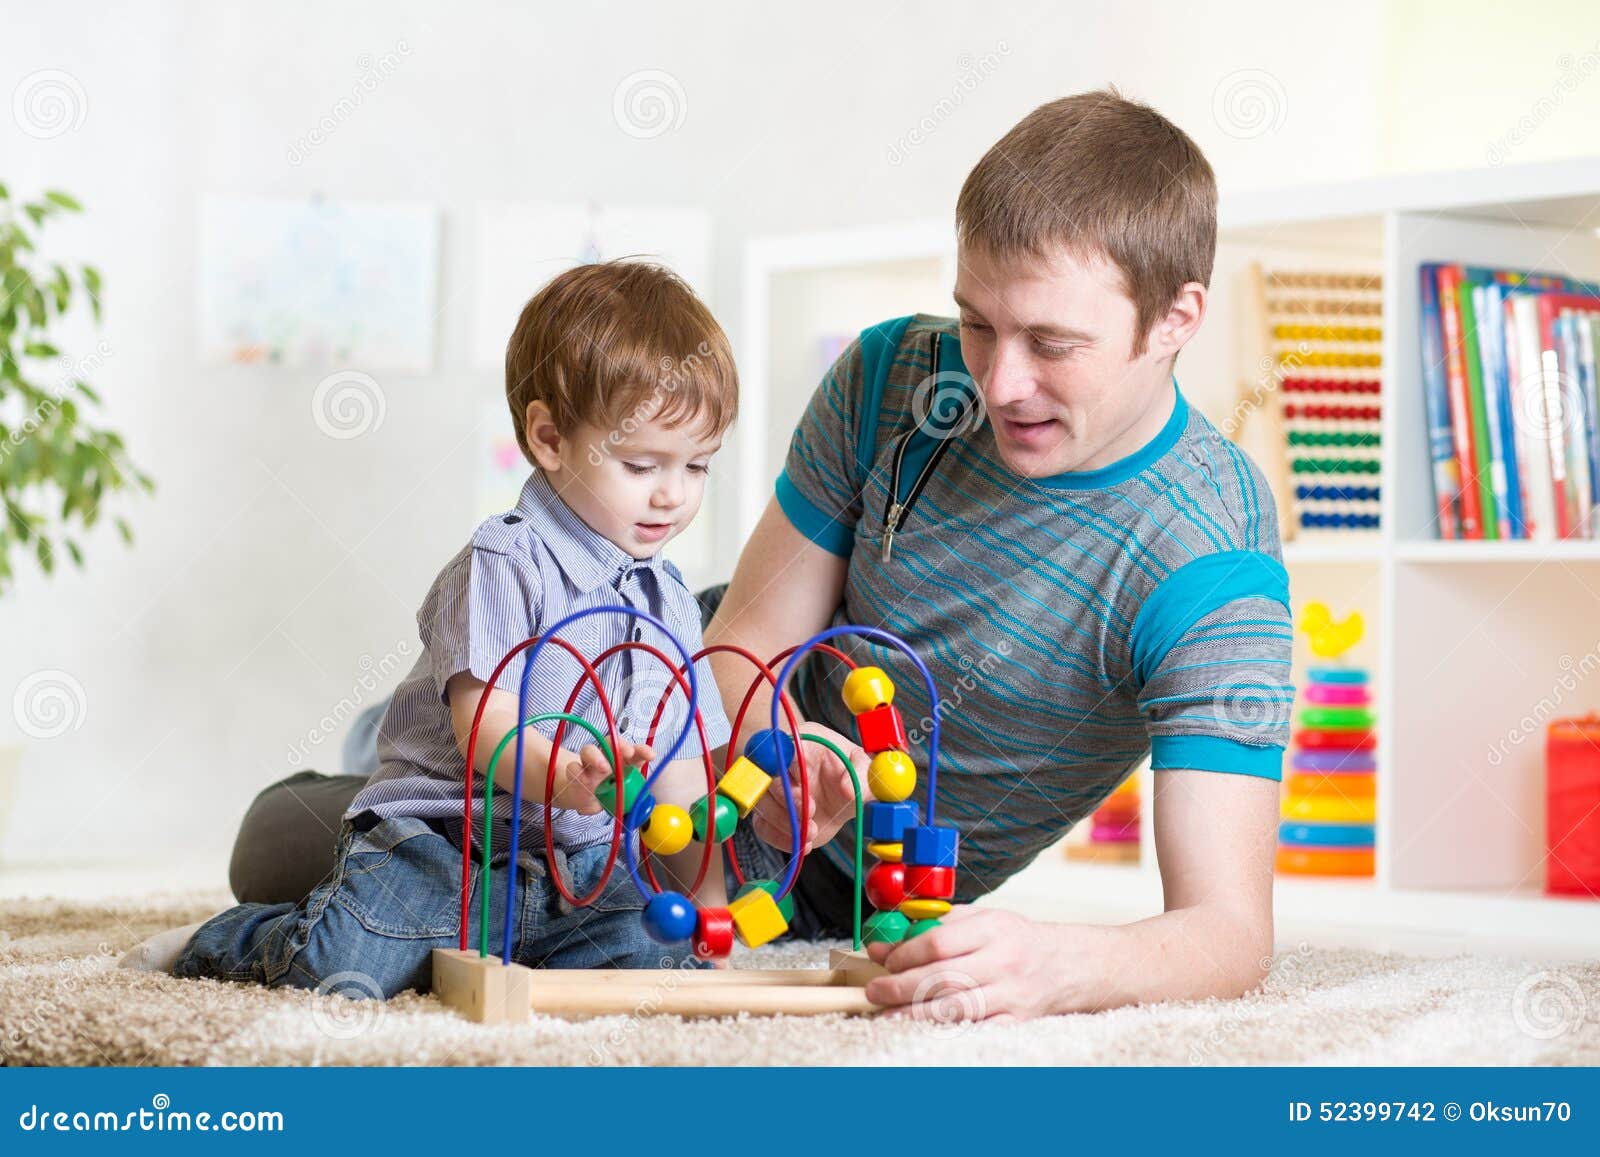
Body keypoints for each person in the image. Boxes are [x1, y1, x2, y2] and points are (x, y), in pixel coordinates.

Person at [705, 88, 1294, 1022]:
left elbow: (1228, 931)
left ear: (1177, 318)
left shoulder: (1211, 557)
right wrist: (761, 749)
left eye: (1052, 342)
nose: (998, 381)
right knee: (448, 785)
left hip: (851, 902)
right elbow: (738, 639)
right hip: (682, 739)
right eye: (978, 322)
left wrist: (1066, 963)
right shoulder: (889, 374)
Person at [153, 261, 740, 994]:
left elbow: (684, 772)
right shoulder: (504, 559)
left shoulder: (670, 601)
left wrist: (710, 912)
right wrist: (562, 775)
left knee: (658, 957)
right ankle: (233, 937)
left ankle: (530, 939)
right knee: (341, 966)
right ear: (550, 437)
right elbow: (485, 727)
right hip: (444, 846)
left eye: (698, 467)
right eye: (641, 463)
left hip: (578, 868)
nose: (672, 495)